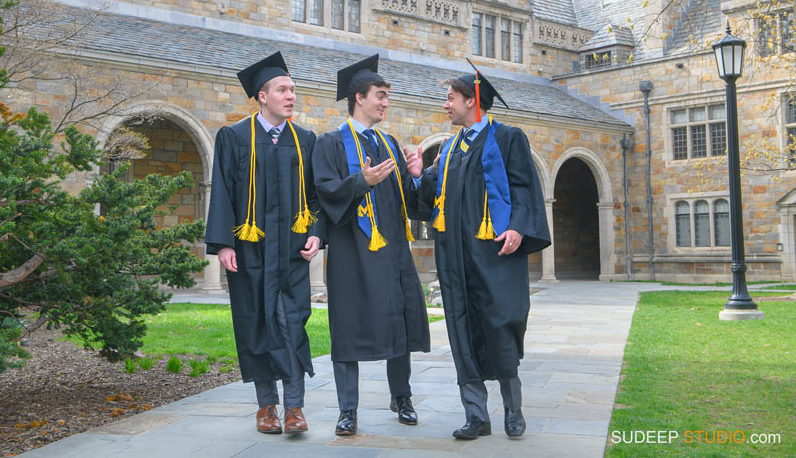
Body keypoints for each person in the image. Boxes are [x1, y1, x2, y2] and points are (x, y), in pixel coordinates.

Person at [417, 70, 551, 440]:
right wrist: (419, 176)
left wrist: (518, 227)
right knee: (461, 331)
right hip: (456, 259)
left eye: (450, 99)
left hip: (495, 256)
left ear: (471, 100)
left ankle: (512, 408)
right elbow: (431, 202)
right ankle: (476, 415)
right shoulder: (448, 149)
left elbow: (525, 189)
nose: (445, 105)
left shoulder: (507, 138)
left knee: (500, 328)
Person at [205, 51, 324, 435]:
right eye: (283, 89)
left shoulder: (305, 140)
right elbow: (222, 191)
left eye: (293, 90)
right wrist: (223, 243)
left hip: (290, 252)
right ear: (262, 95)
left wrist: (317, 234)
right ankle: (266, 407)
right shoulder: (234, 137)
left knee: (291, 324)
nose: (291, 96)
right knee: (255, 322)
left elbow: (316, 195)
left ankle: (294, 407)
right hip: (249, 250)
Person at [311, 54, 430, 436]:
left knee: (400, 321)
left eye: (387, 96)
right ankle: (348, 410)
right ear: (358, 98)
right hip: (352, 254)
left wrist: (416, 176)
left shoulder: (390, 143)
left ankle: (403, 396)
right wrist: (361, 181)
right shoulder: (329, 144)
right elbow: (325, 194)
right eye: (380, 95)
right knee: (348, 328)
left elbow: (410, 205)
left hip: (393, 250)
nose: (385, 102)